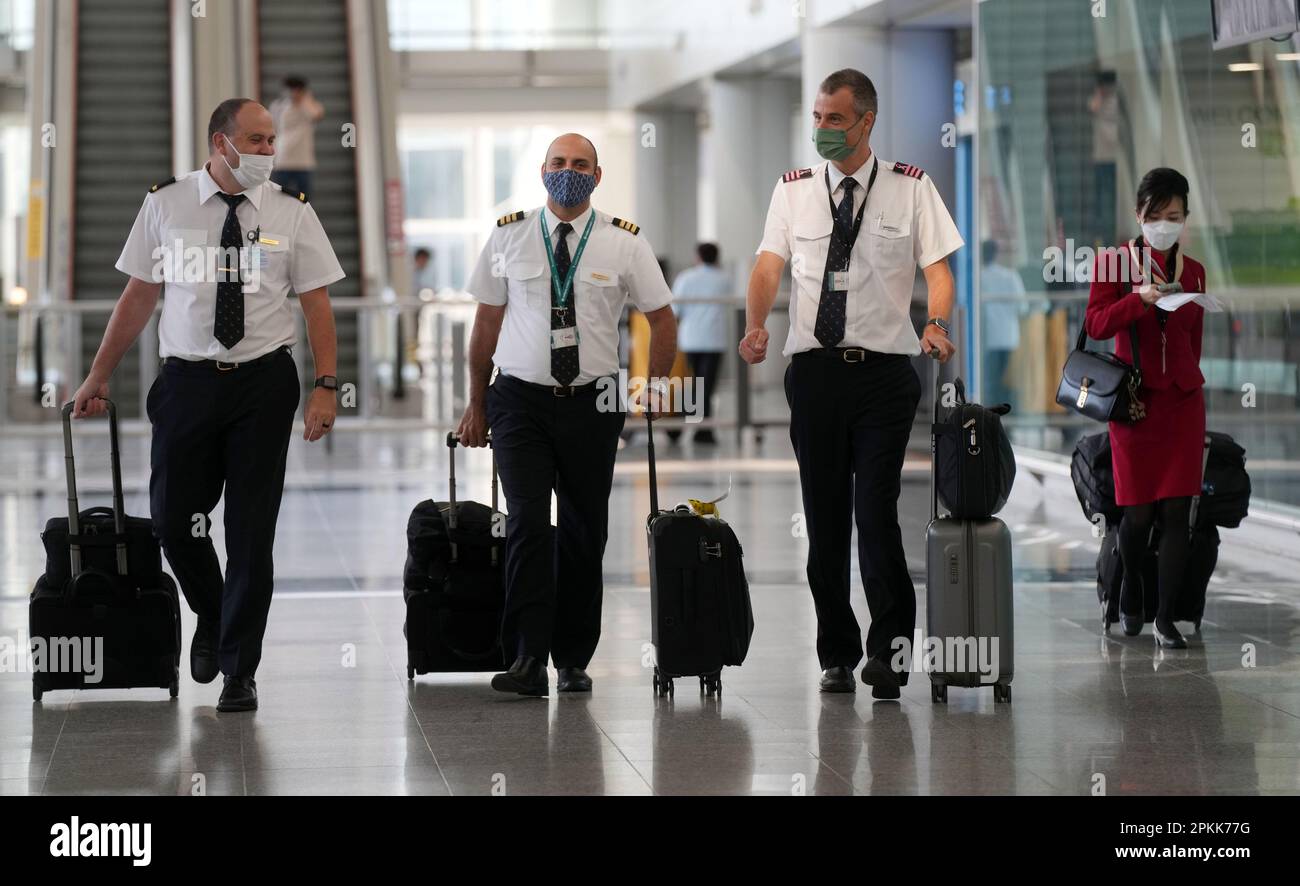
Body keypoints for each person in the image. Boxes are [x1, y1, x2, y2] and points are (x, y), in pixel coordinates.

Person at [71, 98, 345, 712]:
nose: (269, 151)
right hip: (187, 383)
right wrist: (98, 375)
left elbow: (316, 302)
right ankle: (213, 612)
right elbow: (139, 296)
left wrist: (326, 385)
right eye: (256, 139)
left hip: (265, 385)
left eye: (273, 140)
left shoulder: (291, 212)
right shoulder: (166, 203)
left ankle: (239, 669)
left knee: (251, 531)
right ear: (221, 144)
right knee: (173, 519)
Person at [740, 68, 963, 699]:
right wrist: (756, 325)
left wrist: (937, 322)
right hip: (813, 375)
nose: (823, 130)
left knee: (877, 514)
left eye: (835, 119)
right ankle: (836, 653)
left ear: (866, 122)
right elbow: (766, 265)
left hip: (885, 377)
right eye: (817, 117)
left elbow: (939, 270)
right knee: (825, 516)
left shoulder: (910, 189)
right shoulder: (793, 191)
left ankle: (889, 656)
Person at [456, 133, 677, 696]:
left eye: (581, 165)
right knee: (527, 522)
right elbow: (486, 323)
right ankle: (526, 655)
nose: (568, 172)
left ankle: (574, 656)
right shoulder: (508, 233)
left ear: (597, 177)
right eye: (559, 163)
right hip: (520, 401)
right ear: (542, 170)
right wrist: (477, 403)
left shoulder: (622, 241)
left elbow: (663, 317)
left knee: (585, 528)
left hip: (593, 403)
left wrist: (649, 389)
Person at [1085, 167, 1205, 649]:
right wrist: (1139, 300)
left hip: (1182, 402)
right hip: (1133, 405)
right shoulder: (1114, 264)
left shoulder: (1193, 271)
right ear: (1139, 215)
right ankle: (1131, 582)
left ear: (1185, 218)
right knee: (1136, 517)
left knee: (1178, 511)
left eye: (1174, 216)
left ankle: (1164, 616)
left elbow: (1194, 335)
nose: (1164, 224)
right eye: (1155, 215)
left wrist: (1186, 373)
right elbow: (1095, 323)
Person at [672, 243, 731, 444]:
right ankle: (702, 430)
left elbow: (674, 310)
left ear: (697, 256)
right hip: (714, 340)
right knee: (707, 386)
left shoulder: (686, 278)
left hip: (690, 339)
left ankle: (693, 426)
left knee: (697, 384)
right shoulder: (725, 279)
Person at [980, 239, 1026, 410]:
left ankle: (991, 416)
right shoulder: (1011, 276)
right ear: (997, 254)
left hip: (989, 339)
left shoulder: (979, 276)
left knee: (990, 382)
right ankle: (1009, 417)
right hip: (1009, 338)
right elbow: (1022, 307)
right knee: (1009, 382)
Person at [268, 76, 324, 200]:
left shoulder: (310, 105)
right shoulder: (278, 106)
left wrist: (305, 100)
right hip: (282, 161)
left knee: (304, 202)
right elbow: (271, 129)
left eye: (297, 90)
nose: (293, 93)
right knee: (278, 200)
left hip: (303, 163)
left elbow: (317, 115)